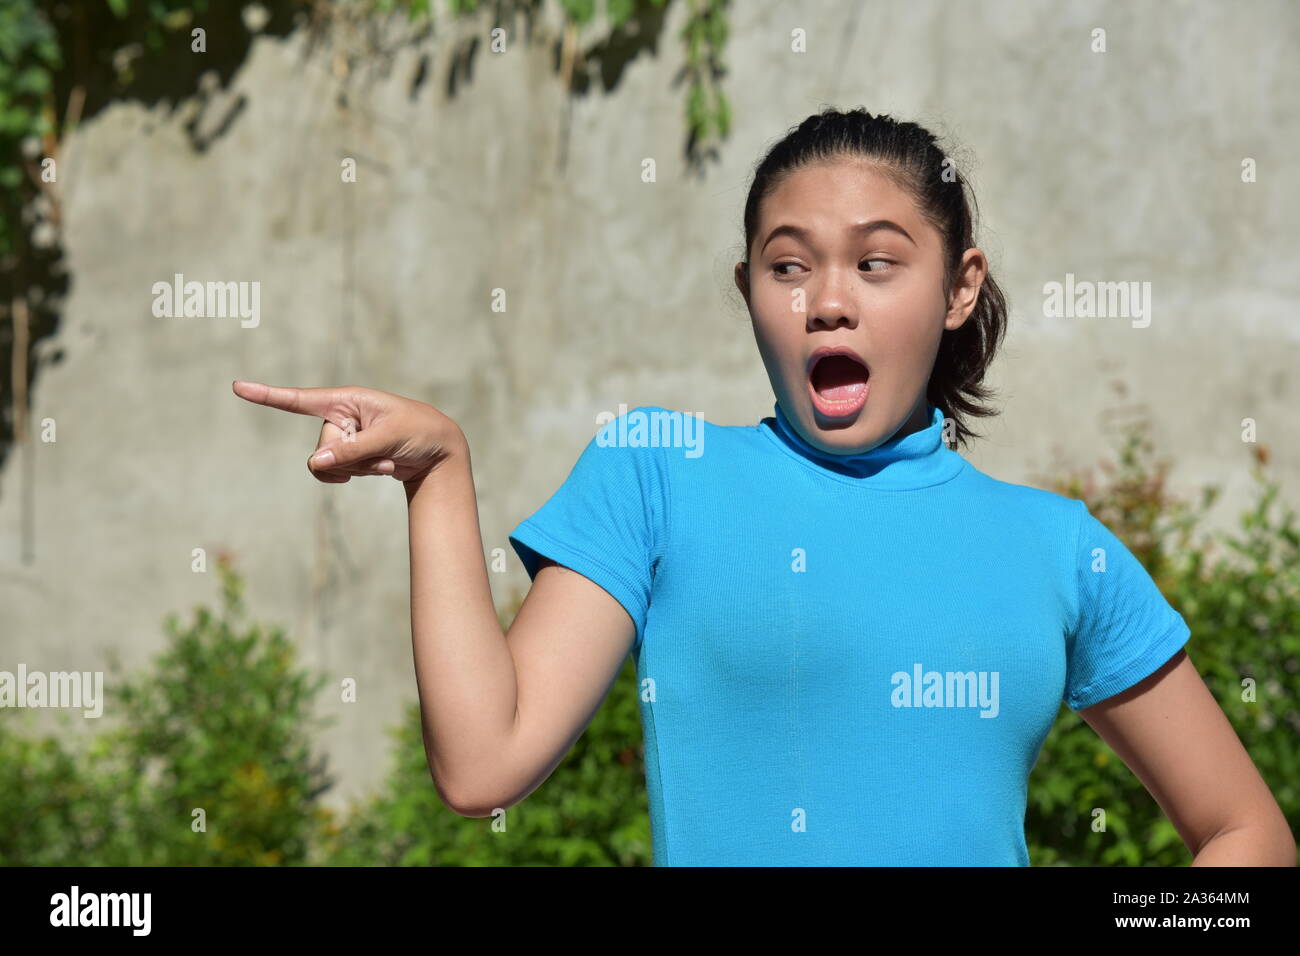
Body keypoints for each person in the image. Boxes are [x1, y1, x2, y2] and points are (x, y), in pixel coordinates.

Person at [233, 107, 1294, 866]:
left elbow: (1247, 832)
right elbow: (481, 763)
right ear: (747, 289)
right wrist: (437, 476)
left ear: (959, 285)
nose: (827, 300)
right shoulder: (657, 472)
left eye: (877, 264)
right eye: (787, 267)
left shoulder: (1062, 549)